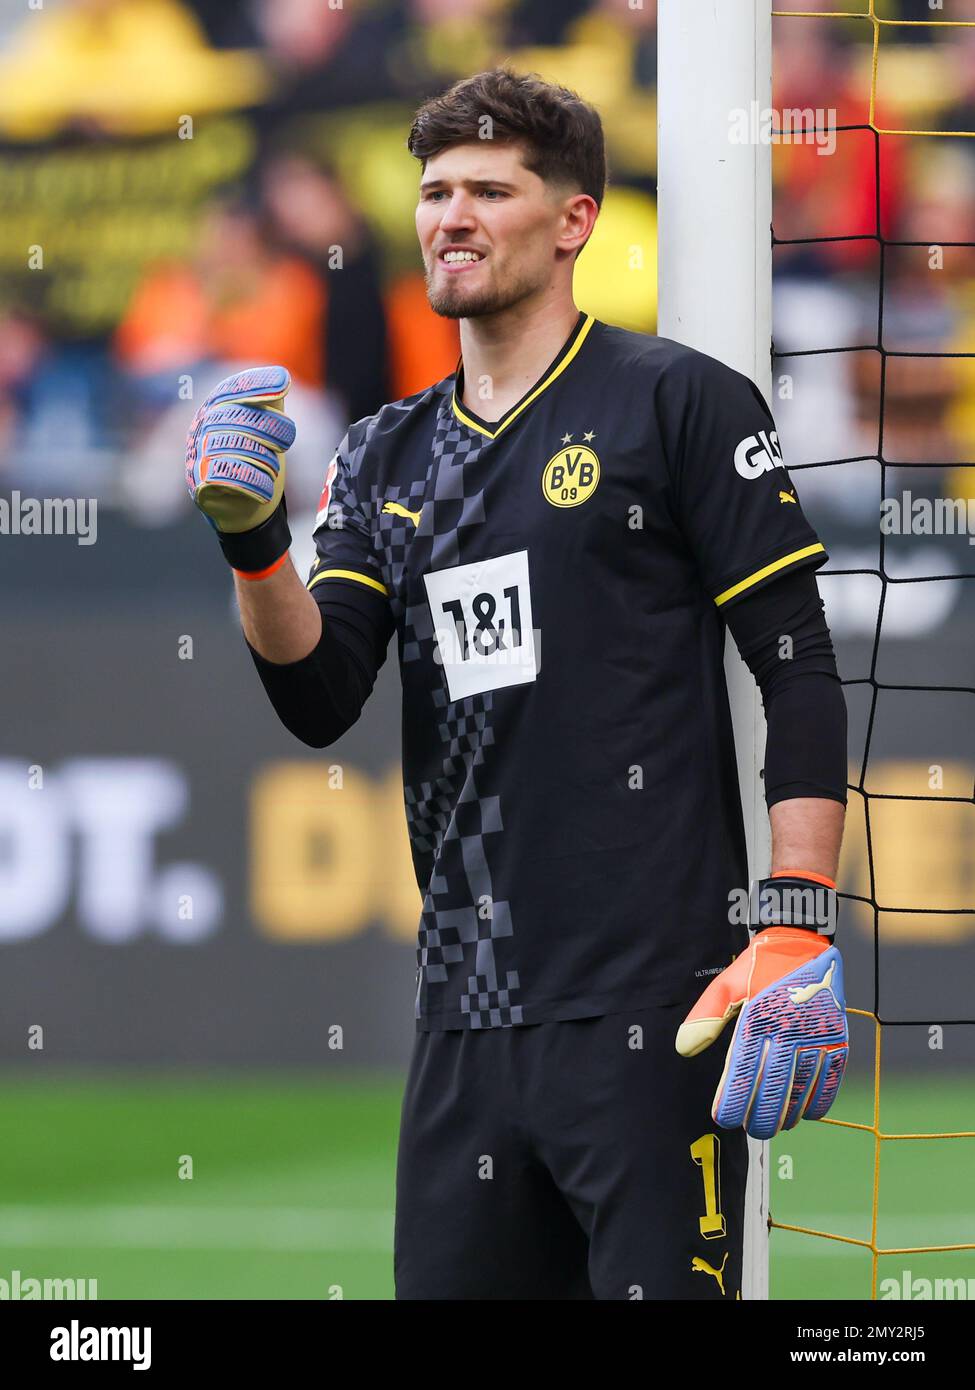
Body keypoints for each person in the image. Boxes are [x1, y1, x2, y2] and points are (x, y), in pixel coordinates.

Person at [185, 67, 848, 1301]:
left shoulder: (676, 402)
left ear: (575, 219)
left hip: (660, 1011)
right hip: (464, 1023)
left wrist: (799, 920)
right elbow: (318, 691)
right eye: (436, 191)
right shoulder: (386, 451)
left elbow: (797, 662)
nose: (453, 216)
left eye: (491, 188)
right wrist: (252, 540)